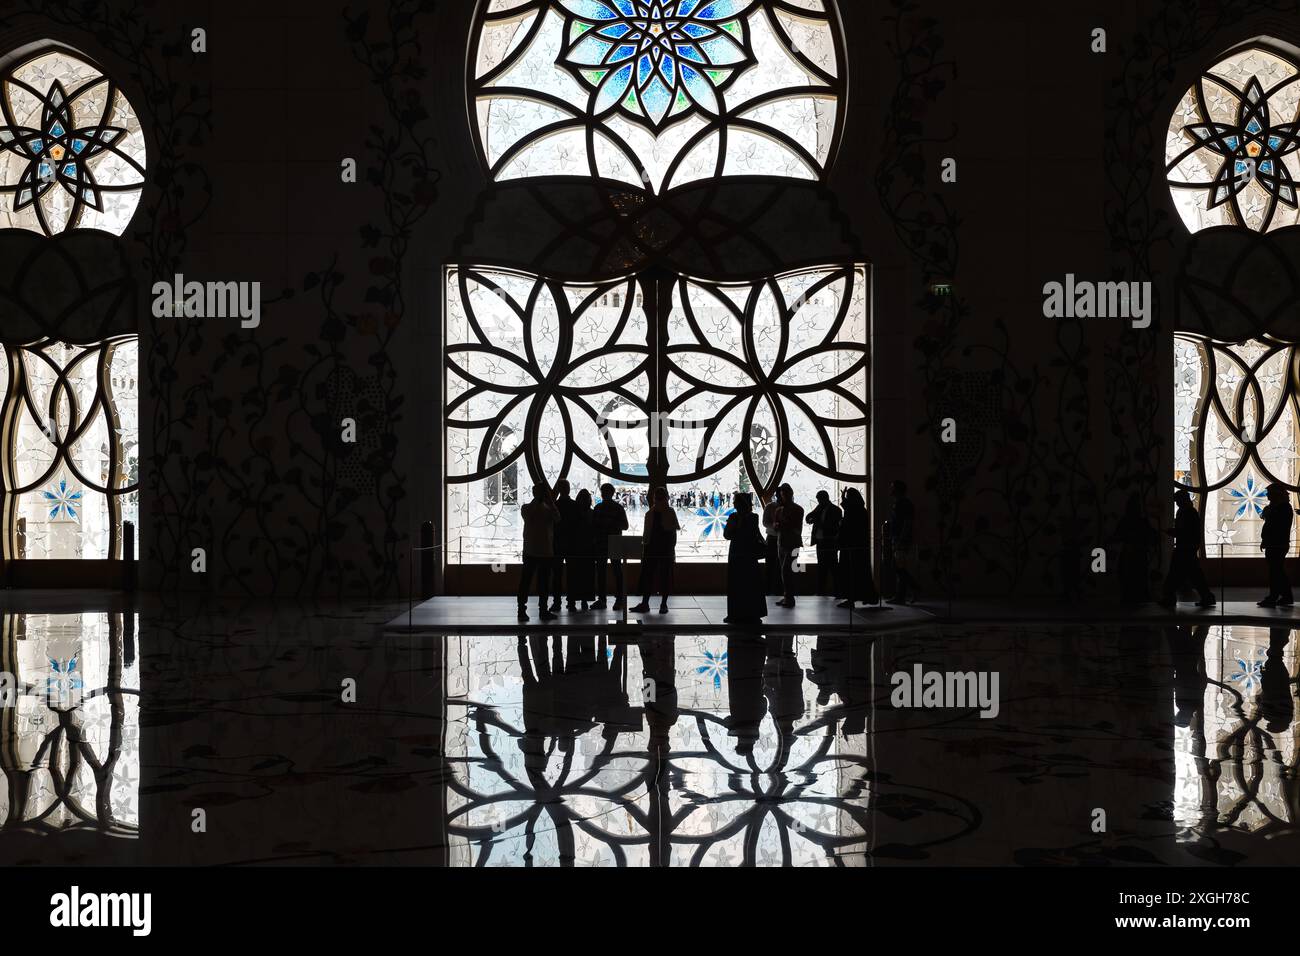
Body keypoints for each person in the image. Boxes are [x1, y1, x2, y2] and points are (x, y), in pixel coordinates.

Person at [1160, 489, 1216, 608]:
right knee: (1195, 575)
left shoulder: (1186, 512)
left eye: (1178, 501)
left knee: (1175, 574)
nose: (1177, 503)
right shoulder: (1189, 512)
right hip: (1188, 549)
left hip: (1184, 549)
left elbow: (1185, 531)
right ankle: (1207, 597)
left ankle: (1169, 597)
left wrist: (1173, 532)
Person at [631, 487, 679, 614]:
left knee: (648, 576)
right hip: (665, 549)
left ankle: (645, 603)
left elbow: (646, 534)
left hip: (651, 549)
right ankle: (663, 604)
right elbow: (673, 533)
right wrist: (672, 550)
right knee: (664, 576)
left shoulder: (650, 513)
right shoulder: (669, 512)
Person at [723, 492, 768, 626]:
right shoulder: (754, 517)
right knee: (752, 585)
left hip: (737, 554)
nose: (733, 503)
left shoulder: (733, 517)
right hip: (750, 555)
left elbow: (727, 535)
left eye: (735, 501)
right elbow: (756, 534)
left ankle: (735, 614)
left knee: (736, 585)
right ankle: (753, 614)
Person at [517, 483, 559, 622]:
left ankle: (539, 609)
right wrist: (543, 501)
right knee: (528, 582)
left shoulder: (546, 508)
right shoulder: (527, 507)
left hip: (540, 551)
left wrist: (550, 503)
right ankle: (524, 609)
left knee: (539, 583)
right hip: (536, 551)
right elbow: (528, 516)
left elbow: (558, 518)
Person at [836, 488, 878, 607]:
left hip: (850, 546)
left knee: (850, 573)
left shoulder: (853, 511)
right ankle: (865, 596)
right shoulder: (861, 510)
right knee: (860, 573)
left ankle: (851, 599)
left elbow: (847, 525)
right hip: (859, 547)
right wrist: (843, 498)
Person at [592, 482, 629, 611]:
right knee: (617, 571)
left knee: (601, 572)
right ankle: (619, 599)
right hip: (615, 542)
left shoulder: (598, 508)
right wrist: (613, 524)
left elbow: (593, 527)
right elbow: (625, 526)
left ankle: (602, 600)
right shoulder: (618, 508)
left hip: (601, 543)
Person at [1114, 492, 1155, 604]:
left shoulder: (1126, 520)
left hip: (1129, 551)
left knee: (1127, 574)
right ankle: (1139, 596)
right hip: (1140, 552)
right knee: (1139, 575)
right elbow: (1150, 535)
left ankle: (1129, 596)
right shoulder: (1142, 521)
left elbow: (1118, 534)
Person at [1258, 483, 1294, 607]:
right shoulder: (1281, 507)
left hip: (1276, 544)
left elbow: (1275, 527)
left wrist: (1266, 540)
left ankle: (1274, 597)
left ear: (1275, 494)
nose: (1267, 496)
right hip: (1276, 544)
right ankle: (1285, 596)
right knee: (1278, 571)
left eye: (1269, 494)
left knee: (1275, 572)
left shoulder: (1282, 508)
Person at [806, 490, 842, 596]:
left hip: (829, 542)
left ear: (823, 499)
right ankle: (823, 591)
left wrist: (815, 521)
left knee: (832, 568)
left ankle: (835, 591)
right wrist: (812, 518)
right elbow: (808, 516)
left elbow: (834, 527)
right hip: (821, 542)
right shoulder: (822, 508)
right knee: (823, 568)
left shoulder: (835, 510)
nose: (818, 502)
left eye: (819, 500)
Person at [774, 484, 804, 608]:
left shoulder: (797, 509)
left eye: (786, 494)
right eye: (783, 495)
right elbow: (777, 526)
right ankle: (788, 595)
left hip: (793, 542)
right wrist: (778, 525)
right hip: (782, 542)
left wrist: (780, 525)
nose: (784, 497)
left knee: (787, 570)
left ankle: (790, 597)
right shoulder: (779, 510)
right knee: (784, 570)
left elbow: (793, 525)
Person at [887, 480, 916, 605]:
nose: (890, 489)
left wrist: (900, 539)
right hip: (899, 538)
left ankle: (911, 590)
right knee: (899, 567)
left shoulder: (903, 504)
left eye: (892, 487)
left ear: (897, 490)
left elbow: (907, 523)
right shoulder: (901, 503)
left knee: (898, 567)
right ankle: (902, 595)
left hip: (900, 539)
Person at [568, 489, 596, 611]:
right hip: (588, 550)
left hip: (574, 549)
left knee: (573, 576)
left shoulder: (573, 514)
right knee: (587, 576)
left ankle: (572, 601)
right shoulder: (592, 514)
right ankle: (584, 600)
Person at [550, 479, 576, 613]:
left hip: (558, 544)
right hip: (572, 544)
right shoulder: (574, 505)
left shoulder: (555, 505)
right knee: (572, 574)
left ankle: (556, 602)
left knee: (557, 575)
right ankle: (571, 602)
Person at [761, 491, 782, 595]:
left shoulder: (770, 507)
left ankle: (770, 589)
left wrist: (773, 527)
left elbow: (765, 523)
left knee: (771, 565)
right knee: (773, 565)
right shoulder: (770, 507)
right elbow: (765, 522)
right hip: (775, 539)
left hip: (772, 538)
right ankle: (775, 589)